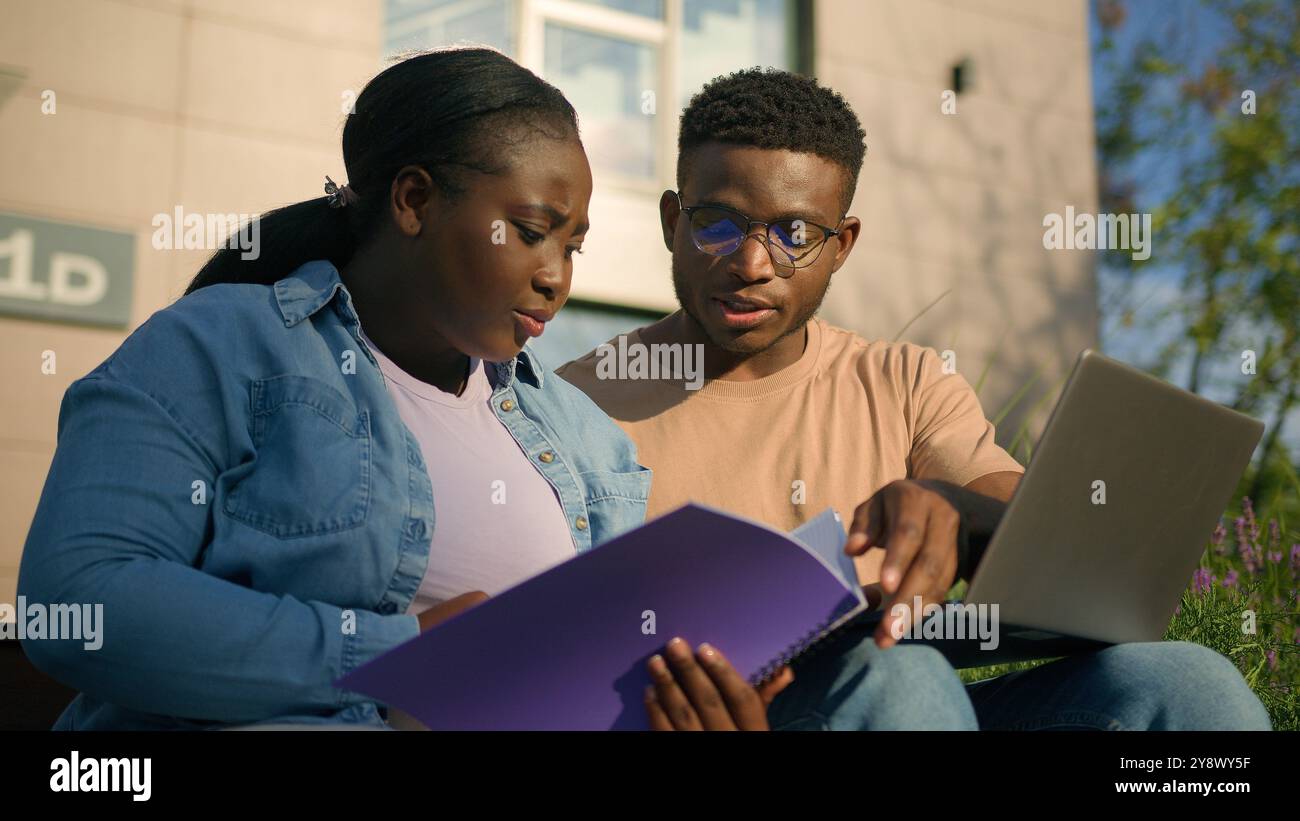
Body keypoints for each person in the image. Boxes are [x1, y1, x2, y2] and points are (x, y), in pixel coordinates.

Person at [558, 68, 1273, 731]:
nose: (752, 265)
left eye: (795, 234)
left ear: (843, 246)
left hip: (922, 702)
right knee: (901, 676)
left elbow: (1040, 541)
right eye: (716, 222)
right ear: (671, 222)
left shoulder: (905, 381)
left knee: (1189, 681)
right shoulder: (572, 406)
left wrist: (958, 512)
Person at [18, 47, 687, 729]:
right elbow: (79, 600)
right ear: (414, 200)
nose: (556, 277)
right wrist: (397, 655)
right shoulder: (217, 346)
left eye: (571, 247)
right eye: (531, 232)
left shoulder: (583, 436)